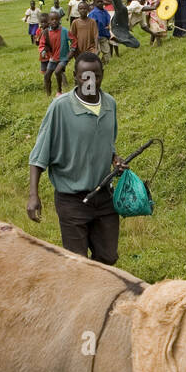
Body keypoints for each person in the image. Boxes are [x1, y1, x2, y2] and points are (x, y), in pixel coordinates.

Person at [27, 52, 128, 267]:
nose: (91, 81)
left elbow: (105, 143)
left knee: (108, 257)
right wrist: (33, 195)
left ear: (102, 75)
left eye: (96, 76)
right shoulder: (60, 107)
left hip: (104, 196)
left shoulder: (110, 104)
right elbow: (39, 155)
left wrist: (114, 159)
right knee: (77, 265)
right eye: (85, 77)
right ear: (75, 76)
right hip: (72, 200)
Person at [37, 10, 70, 96]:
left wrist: (72, 51)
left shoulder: (64, 31)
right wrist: (43, 51)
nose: (54, 21)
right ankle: (48, 93)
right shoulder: (46, 32)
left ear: (59, 20)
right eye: (52, 19)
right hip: (52, 58)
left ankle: (59, 90)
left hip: (63, 57)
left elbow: (73, 40)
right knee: (47, 75)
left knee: (58, 72)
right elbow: (41, 44)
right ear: (49, 21)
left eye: (56, 19)